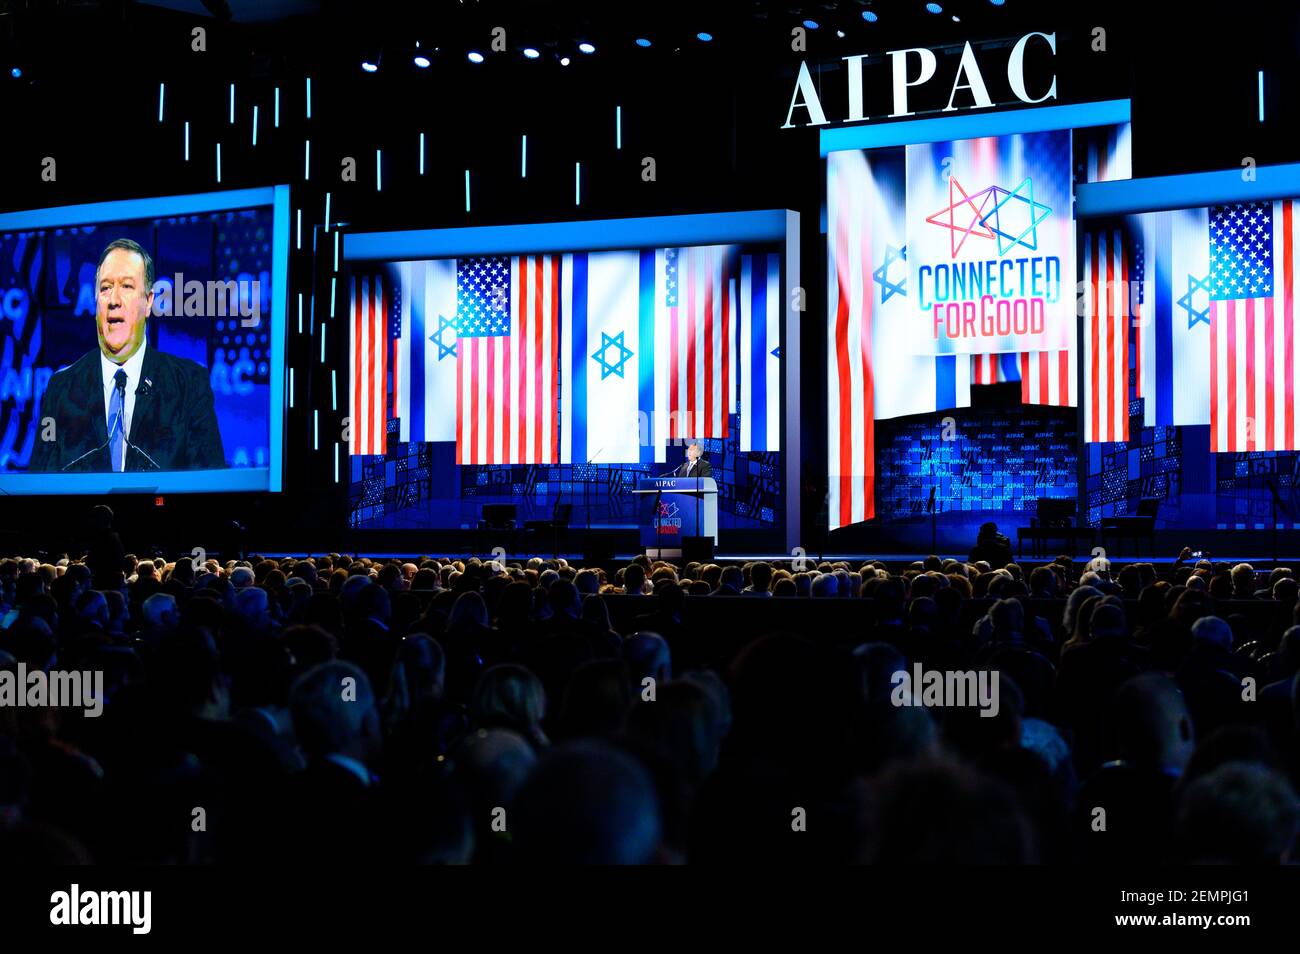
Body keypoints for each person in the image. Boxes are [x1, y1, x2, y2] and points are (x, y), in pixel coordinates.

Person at [31, 238, 225, 473]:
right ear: (96, 302)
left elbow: (209, 483)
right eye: (105, 288)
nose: (114, 300)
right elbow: (39, 483)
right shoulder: (60, 390)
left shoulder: (189, 385)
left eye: (126, 286)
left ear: (149, 302)